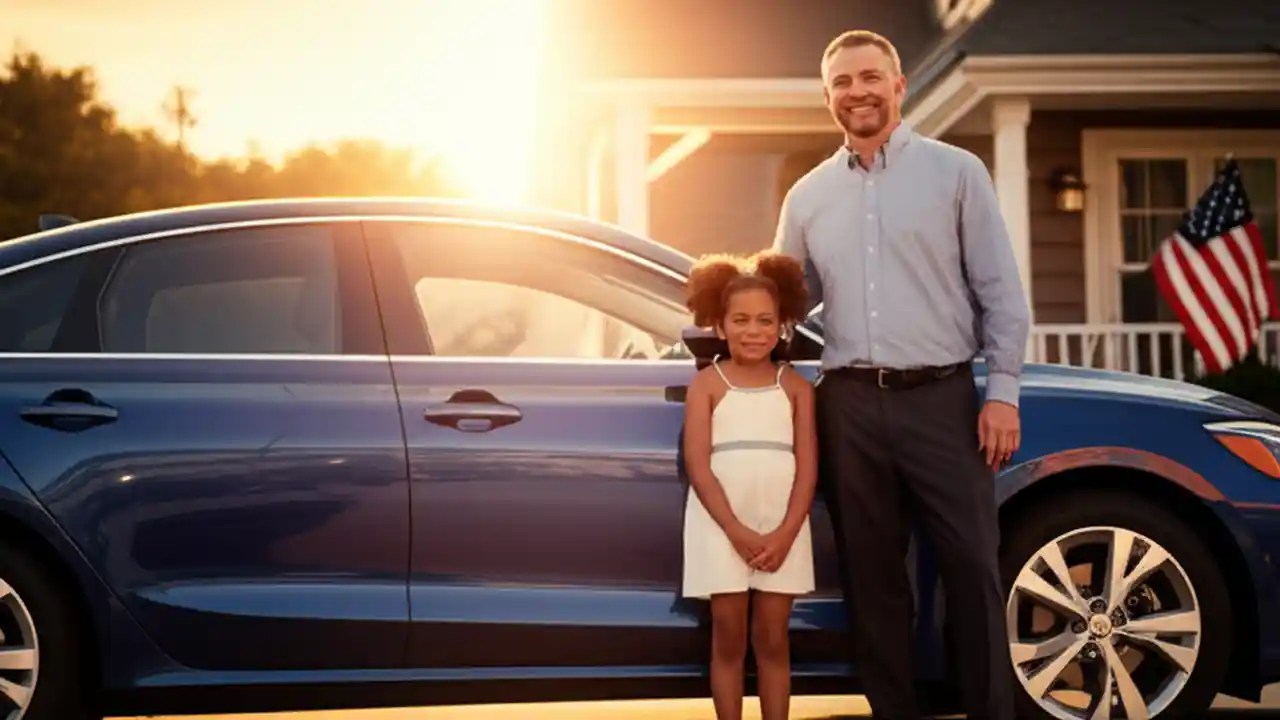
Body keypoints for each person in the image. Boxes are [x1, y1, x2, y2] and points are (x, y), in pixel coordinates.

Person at [772, 29, 1030, 720]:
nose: (857, 91)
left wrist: (1001, 392)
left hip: (944, 399)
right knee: (873, 580)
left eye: (869, 77)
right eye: (842, 83)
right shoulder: (807, 196)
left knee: (972, 569)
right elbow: (783, 304)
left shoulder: (957, 173)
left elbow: (1000, 291)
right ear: (827, 97)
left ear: (898, 85)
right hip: (849, 407)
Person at [681, 250, 818, 720]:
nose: (753, 331)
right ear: (719, 325)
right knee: (728, 633)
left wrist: (785, 535)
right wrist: (737, 532)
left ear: (782, 326)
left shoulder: (796, 387)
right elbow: (699, 466)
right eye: (740, 320)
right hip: (721, 526)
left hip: (783, 524)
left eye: (765, 321)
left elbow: (808, 470)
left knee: (774, 638)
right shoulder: (707, 384)